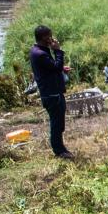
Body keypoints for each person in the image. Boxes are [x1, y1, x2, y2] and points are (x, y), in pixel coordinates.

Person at [29, 25, 73, 159]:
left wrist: (60, 69)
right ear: (43, 37)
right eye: (50, 36)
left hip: (53, 92)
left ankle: (60, 148)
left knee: (59, 122)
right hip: (51, 94)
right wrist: (58, 51)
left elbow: (52, 69)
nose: (52, 39)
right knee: (56, 123)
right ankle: (59, 151)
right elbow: (55, 67)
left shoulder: (38, 50)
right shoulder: (40, 54)